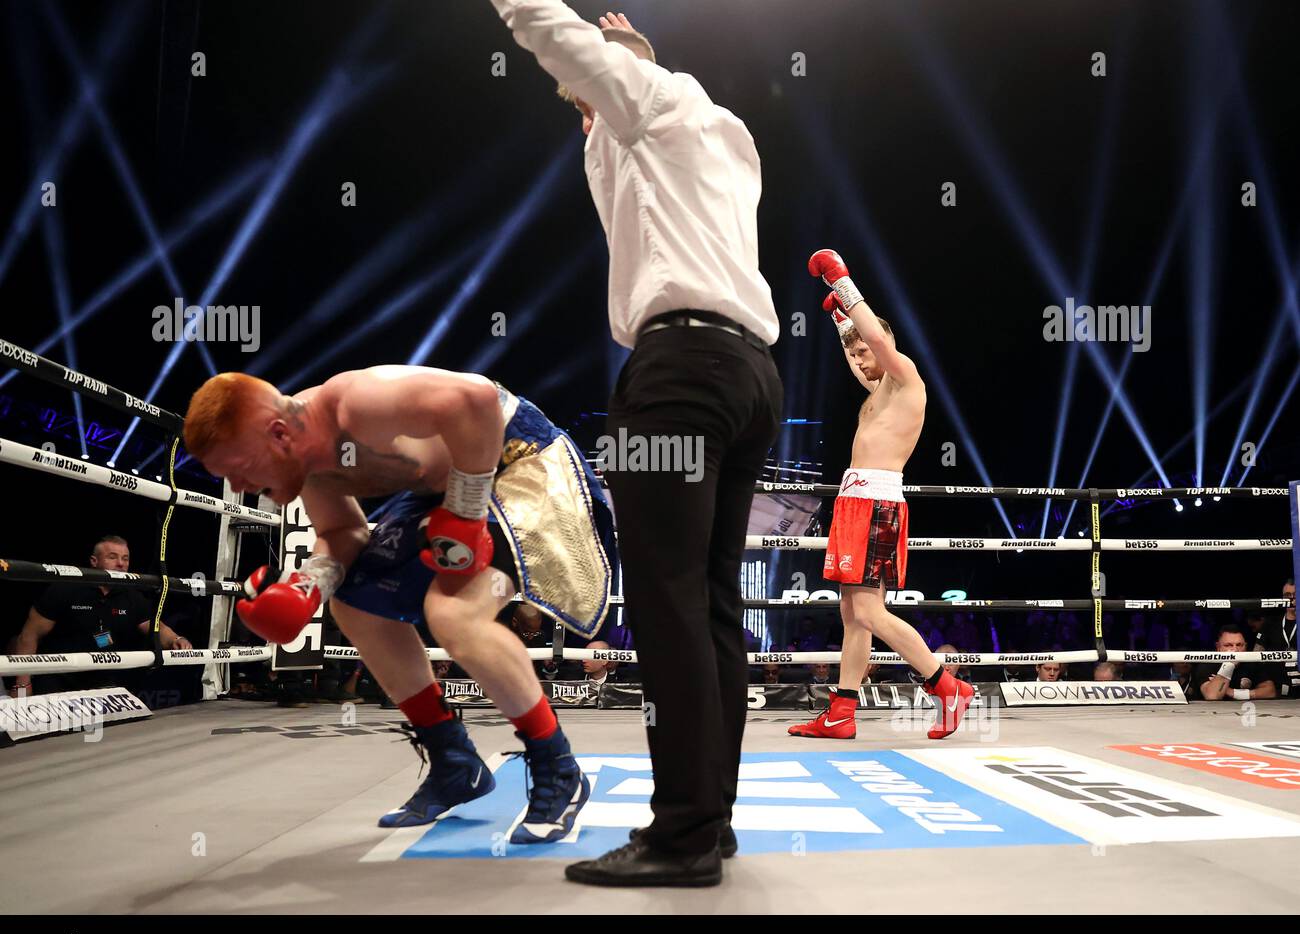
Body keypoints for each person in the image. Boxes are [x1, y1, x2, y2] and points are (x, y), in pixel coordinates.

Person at [489, 3, 783, 887]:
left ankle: (683, 834)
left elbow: (555, 31)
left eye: (584, 91)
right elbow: (625, 180)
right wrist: (598, 104)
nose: (579, 102)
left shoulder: (658, 101)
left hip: (681, 377)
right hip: (748, 376)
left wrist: (580, 44)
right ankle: (710, 818)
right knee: (709, 603)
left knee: (664, 600)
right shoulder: (717, 141)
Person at [183, 367, 615, 844]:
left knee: (452, 613)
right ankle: (453, 761)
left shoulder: (357, 403)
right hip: (446, 492)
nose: (241, 485)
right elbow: (342, 533)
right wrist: (306, 587)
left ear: (279, 433)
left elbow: (475, 399)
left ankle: (558, 767)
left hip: (518, 460)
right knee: (354, 601)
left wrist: (467, 513)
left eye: (241, 468)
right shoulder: (304, 463)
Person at [788, 250, 973, 742]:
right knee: (852, 615)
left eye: (867, 351)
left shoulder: (906, 377)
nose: (860, 358)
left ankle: (945, 684)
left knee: (868, 612)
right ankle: (841, 713)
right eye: (853, 354)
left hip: (876, 505)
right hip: (857, 506)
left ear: (887, 343)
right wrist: (836, 321)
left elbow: (871, 336)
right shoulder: (876, 395)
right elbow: (858, 343)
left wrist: (842, 281)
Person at [7, 534, 191, 697]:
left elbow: (154, 626)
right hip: (55, 676)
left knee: (113, 726)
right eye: (113, 557)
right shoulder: (66, 589)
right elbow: (28, 636)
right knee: (52, 732)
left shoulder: (132, 597)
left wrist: (176, 638)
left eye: (125, 559)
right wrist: (22, 685)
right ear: (94, 561)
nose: (121, 564)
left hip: (99, 678)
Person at [1185, 624, 1278, 701]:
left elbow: (1270, 692)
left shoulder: (1251, 663)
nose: (1235, 649)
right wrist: (1229, 664)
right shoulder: (1207, 664)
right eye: (1228, 645)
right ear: (1218, 647)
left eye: (1239, 645)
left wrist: (1232, 692)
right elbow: (1212, 696)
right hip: (1210, 715)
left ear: (1245, 646)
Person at [1253, 579, 1297, 698]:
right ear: (1282, 598)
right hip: (1276, 691)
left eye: (1296, 594)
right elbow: (1256, 656)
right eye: (1288, 595)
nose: (1292, 599)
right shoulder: (1270, 623)